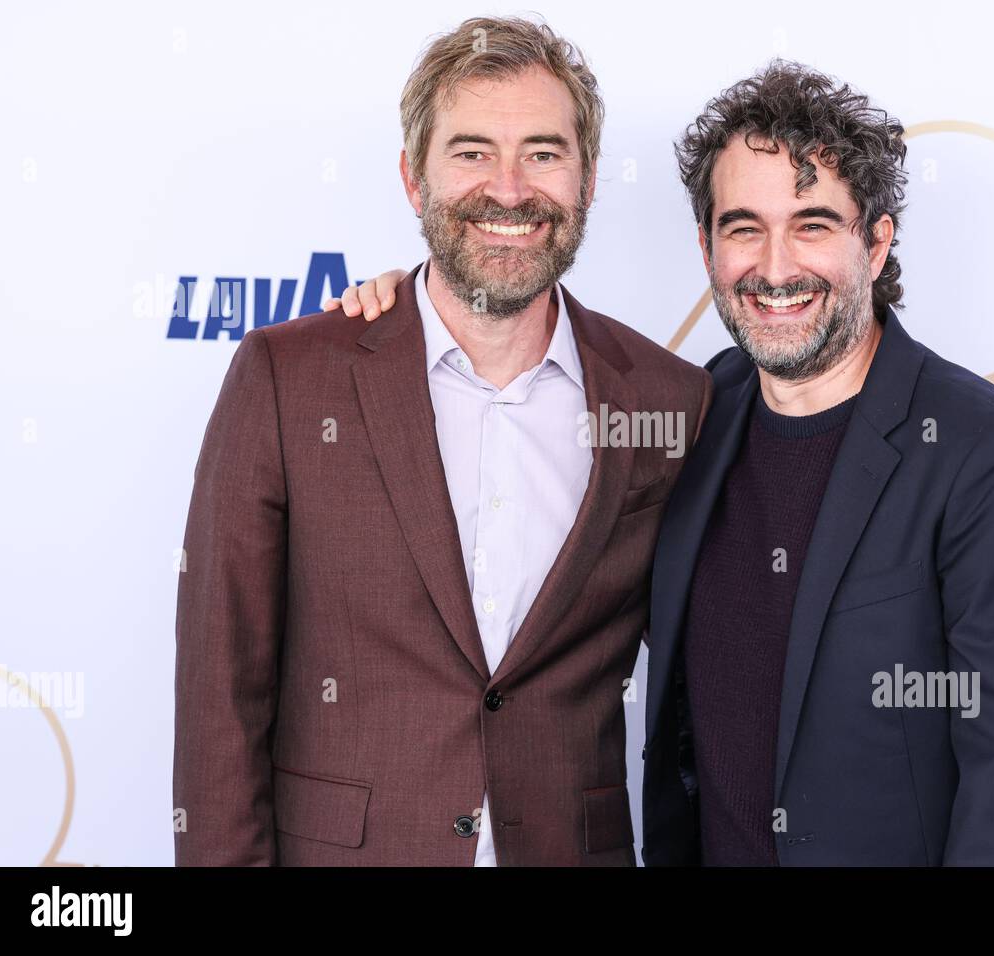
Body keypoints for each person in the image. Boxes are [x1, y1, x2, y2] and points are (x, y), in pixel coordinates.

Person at [339, 61, 994, 867]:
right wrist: (413, 307)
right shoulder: (694, 413)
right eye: (743, 227)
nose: (773, 269)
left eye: (812, 225)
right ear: (706, 246)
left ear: (875, 243)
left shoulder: (989, 458)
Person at [173, 15, 709, 866]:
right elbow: (219, 693)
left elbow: (712, 671)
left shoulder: (670, 401)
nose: (508, 188)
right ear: (413, 181)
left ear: (589, 179)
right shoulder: (289, 377)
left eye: (543, 151)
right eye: (470, 152)